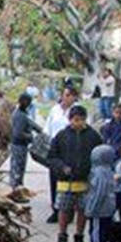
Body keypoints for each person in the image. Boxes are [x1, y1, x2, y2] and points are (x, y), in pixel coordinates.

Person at [46, 104, 103, 242]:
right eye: (75, 120)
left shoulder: (93, 136)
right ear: (70, 119)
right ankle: (62, 235)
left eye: (81, 120)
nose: (78, 123)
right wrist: (62, 167)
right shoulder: (61, 136)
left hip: (86, 181)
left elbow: (100, 156)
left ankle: (79, 236)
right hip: (65, 181)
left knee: (83, 210)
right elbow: (51, 157)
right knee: (63, 209)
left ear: (85, 120)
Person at [43, 84, 79, 223]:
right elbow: (48, 127)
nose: (65, 98)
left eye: (68, 95)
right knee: (54, 180)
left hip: (70, 149)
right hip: (54, 148)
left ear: (74, 96)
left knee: (67, 180)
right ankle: (56, 210)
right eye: (64, 95)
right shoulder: (55, 109)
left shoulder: (76, 111)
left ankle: (68, 211)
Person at [82, 144, 116, 242]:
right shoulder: (109, 170)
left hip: (99, 208)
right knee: (103, 229)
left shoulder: (99, 172)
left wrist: (92, 207)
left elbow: (99, 191)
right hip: (107, 206)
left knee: (96, 230)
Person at [9, 92, 42, 189]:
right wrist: (31, 137)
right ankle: (17, 191)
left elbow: (31, 123)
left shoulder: (21, 113)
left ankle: (17, 189)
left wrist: (39, 130)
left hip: (19, 146)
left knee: (17, 169)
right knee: (18, 171)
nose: (29, 104)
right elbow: (18, 134)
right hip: (19, 146)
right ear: (24, 101)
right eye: (28, 102)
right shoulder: (20, 115)